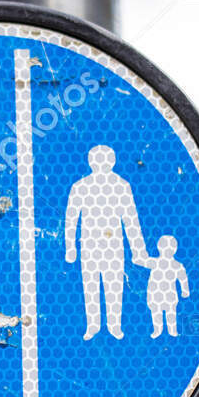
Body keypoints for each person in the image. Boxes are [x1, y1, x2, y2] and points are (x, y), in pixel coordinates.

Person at [64, 145, 147, 340]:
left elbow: (131, 219)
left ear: (112, 162)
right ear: (91, 162)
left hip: (113, 246)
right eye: (97, 160)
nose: (101, 164)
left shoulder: (121, 186)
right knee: (91, 286)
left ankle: (114, 326)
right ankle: (92, 326)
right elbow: (71, 219)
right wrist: (70, 247)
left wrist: (138, 251)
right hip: (89, 246)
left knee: (114, 285)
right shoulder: (80, 186)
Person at [132, 235, 189, 338]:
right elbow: (141, 261)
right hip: (157, 295)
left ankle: (172, 331)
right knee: (157, 312)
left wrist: (185, 291)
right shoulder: (157, 262)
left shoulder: (175, 265)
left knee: (169, 313)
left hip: (168, 295)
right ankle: (159, 331)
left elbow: (183, 278)